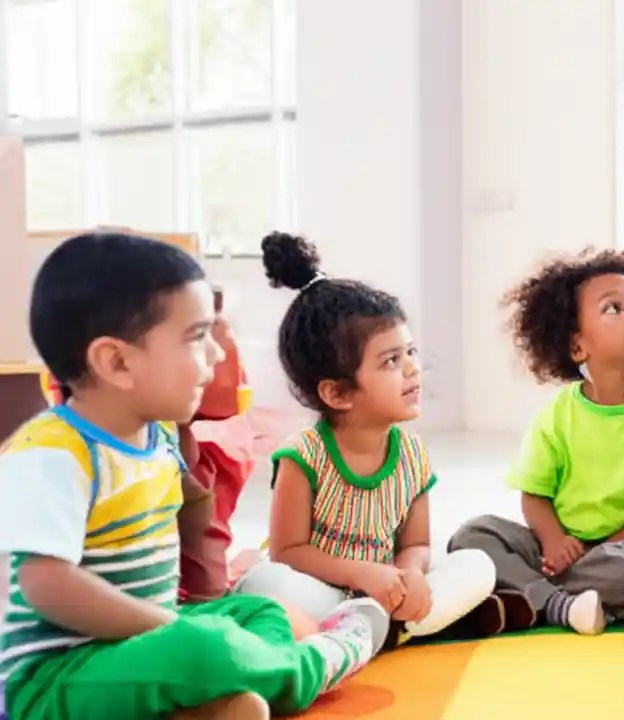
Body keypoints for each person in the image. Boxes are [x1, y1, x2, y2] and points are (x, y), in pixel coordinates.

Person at [0, 232, 389, 720]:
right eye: (196, 337)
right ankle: (321, 661)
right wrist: (176, 630)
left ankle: (212, 704)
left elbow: (196, 516)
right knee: (206, 648)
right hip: (56, 677)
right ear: (116, 361)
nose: (218, 356)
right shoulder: (53, 454)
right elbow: (46, 586)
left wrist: (195, 619)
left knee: (258, 611)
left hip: (139, 648)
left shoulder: (158, 436)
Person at [233, 233, 504, 645]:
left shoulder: (412, 454)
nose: (413, 369)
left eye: (410, 352)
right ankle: (396, 627)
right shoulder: (303, 455)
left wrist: (408, 575)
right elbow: (289, 552)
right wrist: (364, 574)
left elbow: (416, 543)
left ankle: (377, 628)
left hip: (387, 590)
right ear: (337, 393)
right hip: (323, 590)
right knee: (266, 584)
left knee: (476, 565)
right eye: (392, 361)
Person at [449, 249, 624, 635]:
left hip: (619, 552)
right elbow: (534, 495)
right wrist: (552, 541)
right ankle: (559, 604)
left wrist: (599, 551)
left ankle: (529, 597)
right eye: (613, 308)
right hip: (557, 548)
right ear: (579, 347)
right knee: (472, 535)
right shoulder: (558, 413)